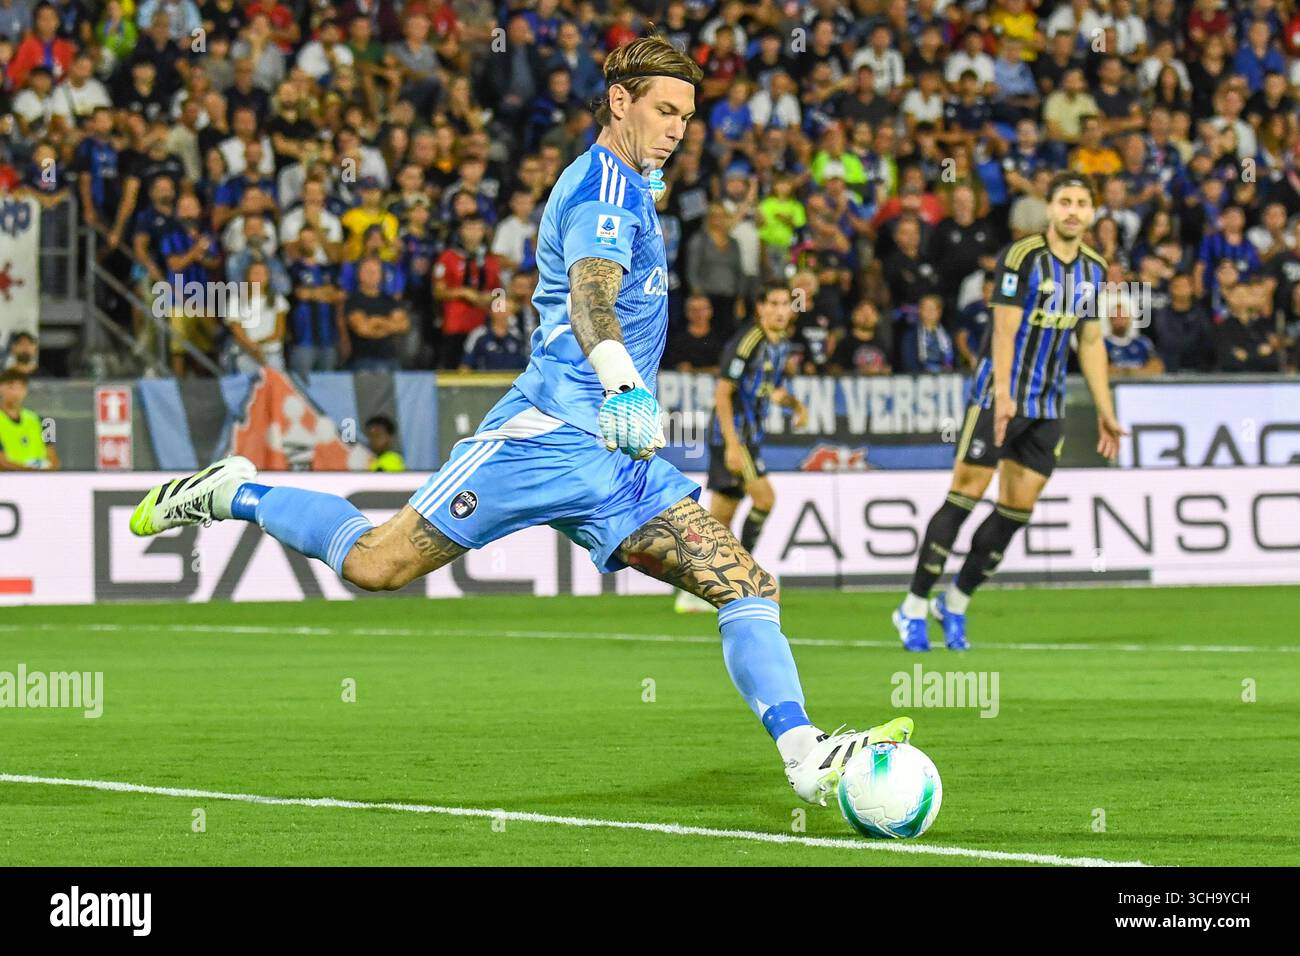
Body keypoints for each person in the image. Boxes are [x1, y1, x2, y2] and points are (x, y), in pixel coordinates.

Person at [128, 35, 913, 808]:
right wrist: (624, 388)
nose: (678, 130)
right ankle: (235, 493)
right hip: (549, 437)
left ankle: (806, 755)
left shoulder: (633, 183)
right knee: (377, 565)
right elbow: (590, 297)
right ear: (619, 102)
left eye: (686, 116)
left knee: (744, 583)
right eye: (665, 111)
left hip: (619, 464)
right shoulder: (604, 189)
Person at [895, 173, 1128, 652]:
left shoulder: (1094, 268)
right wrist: (1002, 396)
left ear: (1091, 212)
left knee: (1016, 510)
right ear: (1049, 208)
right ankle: (913, 607)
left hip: (1047, 405)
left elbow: (1089, 341)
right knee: (965, 495)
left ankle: (954, 603)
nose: (1072, 210)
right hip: (997, 399)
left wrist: (1105, 410)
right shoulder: (1021, 258)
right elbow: (1003, 331)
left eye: (1082, 203)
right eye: (1064, 201)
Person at [676, 281, 806, 615]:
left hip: (748, 437)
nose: (779, 310)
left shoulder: (780, 344)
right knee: (765, 498)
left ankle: (696, 585)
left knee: (722, 516)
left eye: (784, 303)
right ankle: (743, 575)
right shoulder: (748, 342)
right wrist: (733, 445)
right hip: (733, 436)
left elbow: (770, 389)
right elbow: (722, 391)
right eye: (772, 303)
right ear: (760, 308)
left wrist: (794, 404)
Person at [0, 369, 59, 470]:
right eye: (10, 387)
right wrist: (27, 471)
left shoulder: (44, 422)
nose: (16, 393)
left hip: (41, 480)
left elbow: (53, 458)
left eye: (21, 388)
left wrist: (47, 471)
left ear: (26, 390)